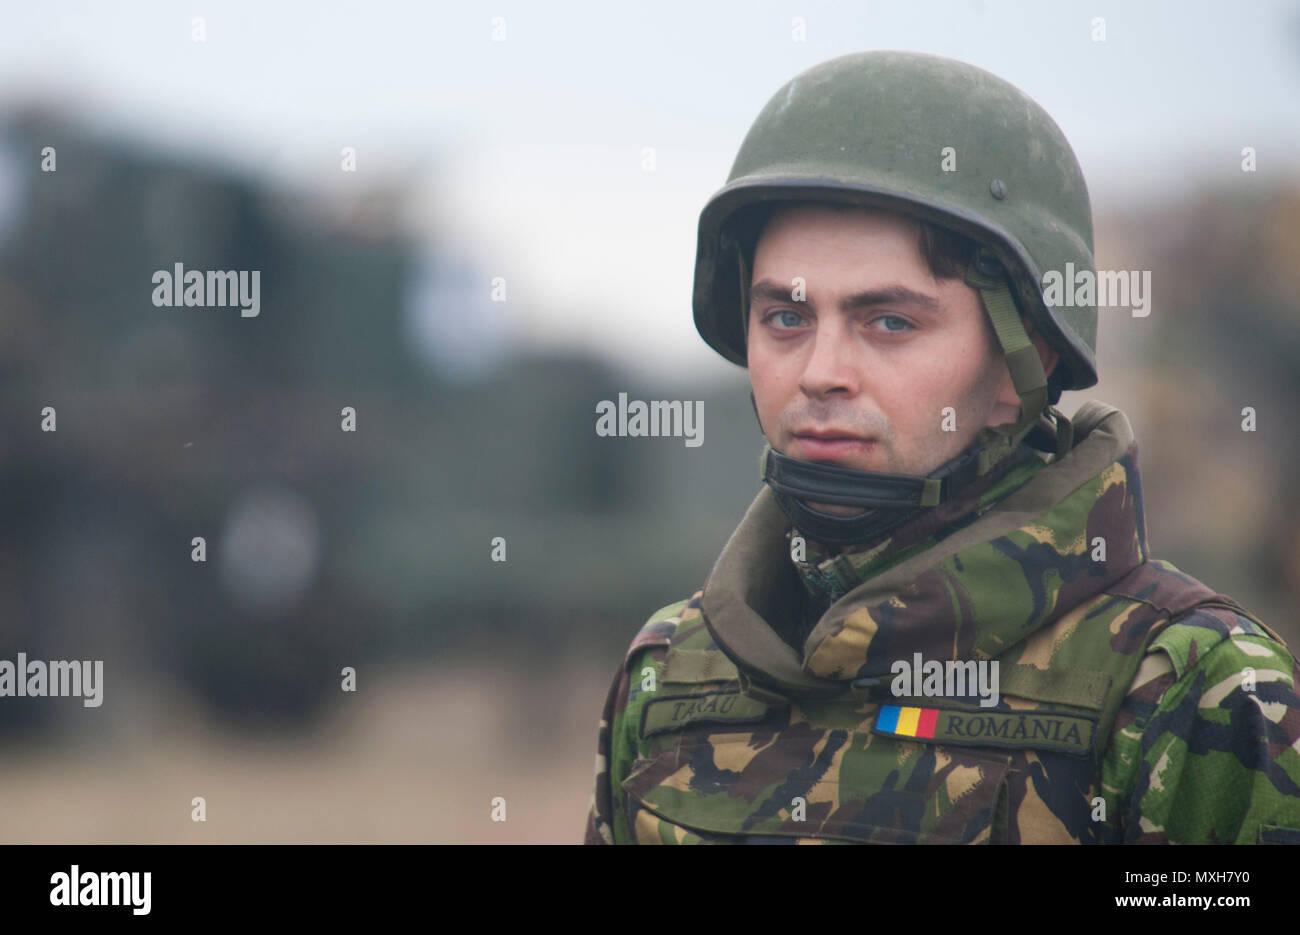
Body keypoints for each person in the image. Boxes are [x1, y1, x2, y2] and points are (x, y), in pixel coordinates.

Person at [583, 50, 1300, 844]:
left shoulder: (1191, 693)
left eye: (890, 322)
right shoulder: (669, 677)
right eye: (786, 318)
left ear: (1024, 359)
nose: (821, 373)